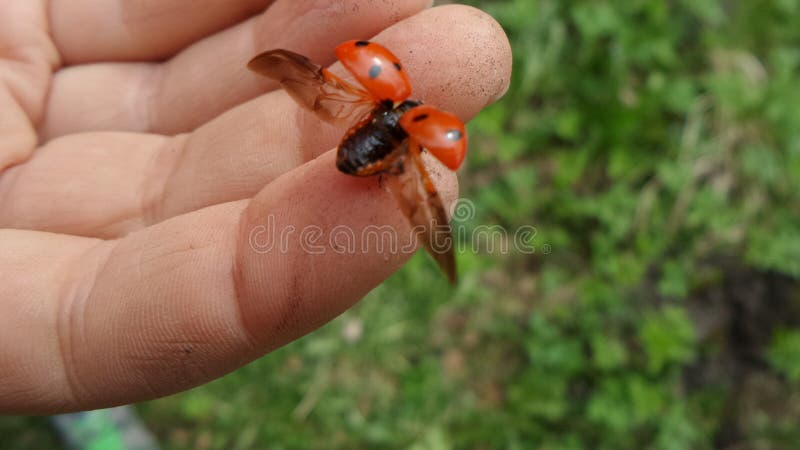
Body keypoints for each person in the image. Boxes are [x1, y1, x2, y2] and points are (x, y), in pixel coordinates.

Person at [0, 1, 511, 414]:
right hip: (364, 158)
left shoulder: (370, 105)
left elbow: (307, 79)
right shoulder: (406, 152)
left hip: (357, 149)